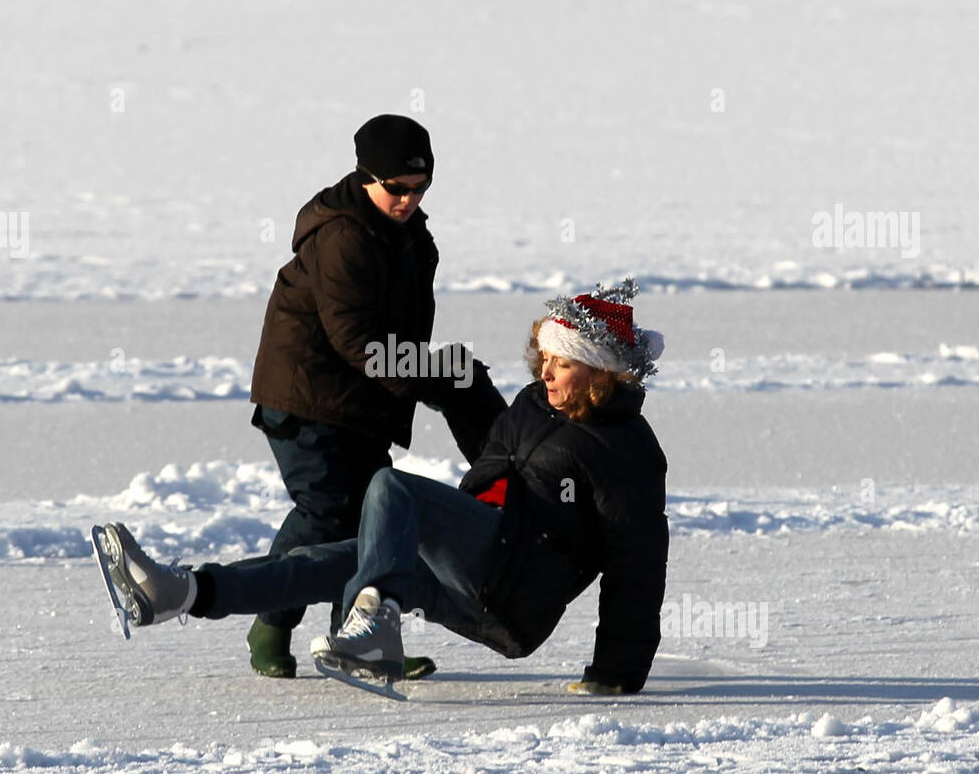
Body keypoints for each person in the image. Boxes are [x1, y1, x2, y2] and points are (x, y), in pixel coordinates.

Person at [97, 280, 668, 695]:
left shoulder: (629, 449)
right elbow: (494, 455)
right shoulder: (532, 404)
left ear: (601, 372)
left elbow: (637, 564)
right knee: (321, 563)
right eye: (542, 358)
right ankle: (181, 592)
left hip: (516, 587)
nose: (544, 373)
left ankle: (375, 629)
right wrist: (454, 383)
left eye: (561, 364)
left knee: (392, 487)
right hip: (473, 576)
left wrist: (616, 671)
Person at [242, 113, 504, 680]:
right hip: (306, 398)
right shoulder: (342, 237)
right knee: (327, 515)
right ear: (367, 177)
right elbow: (358, 342)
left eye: (420, 188)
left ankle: (358, 635)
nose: (409, 200)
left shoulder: (409, 236)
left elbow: (398, 337)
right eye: (397, 188)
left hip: (359, 402)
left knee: (370, 517)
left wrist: (444, 375)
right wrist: (432, 375)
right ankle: (271, 621)